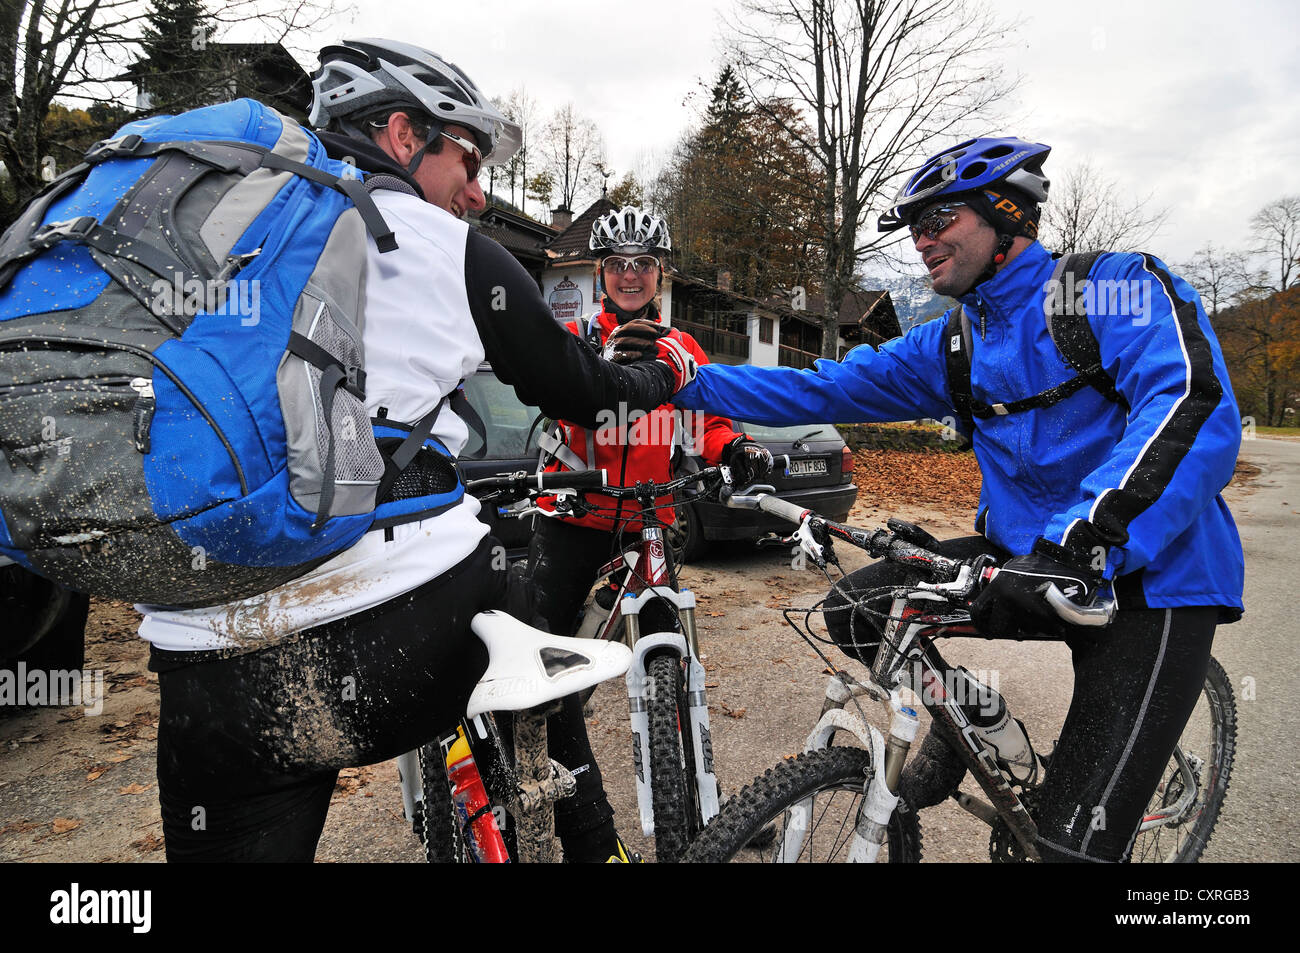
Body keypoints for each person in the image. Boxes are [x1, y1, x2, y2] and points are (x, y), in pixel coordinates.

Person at [136, 39, 694, 863]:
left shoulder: (218, 227)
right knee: (537, 640)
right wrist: (666, 366)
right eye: (466, 158)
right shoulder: (438, 243)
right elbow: (587, 388)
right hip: (393, 626)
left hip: (205, 653)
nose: (475, 190)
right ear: (403, 135)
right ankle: (597, 851)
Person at [668, 136, 1245, 862]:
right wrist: (681, 378)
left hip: (1154, 584)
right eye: (913, 226)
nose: (921, 239)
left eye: (939, 217)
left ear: (1006, 215)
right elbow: (824, 385)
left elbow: (1192, 403)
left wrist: (1081, 543)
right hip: (1025, 564)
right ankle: (972, 721)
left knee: (1065, 850)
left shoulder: (1104, 288)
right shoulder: (957, 341)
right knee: (857, 610)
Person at [523, 207, 771, 858]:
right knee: (543, 673)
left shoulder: (683, 349)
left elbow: (709, 421)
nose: (630, 275)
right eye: (617, 264)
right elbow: (553, 392)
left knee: (676, 669)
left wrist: (735, 449)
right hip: (575, 518)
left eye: (643, 264)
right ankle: (538, 789)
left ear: (660, 274)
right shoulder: (573, 333)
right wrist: (598, 363)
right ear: (601, 273)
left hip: (651, 523)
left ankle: (703, 809)